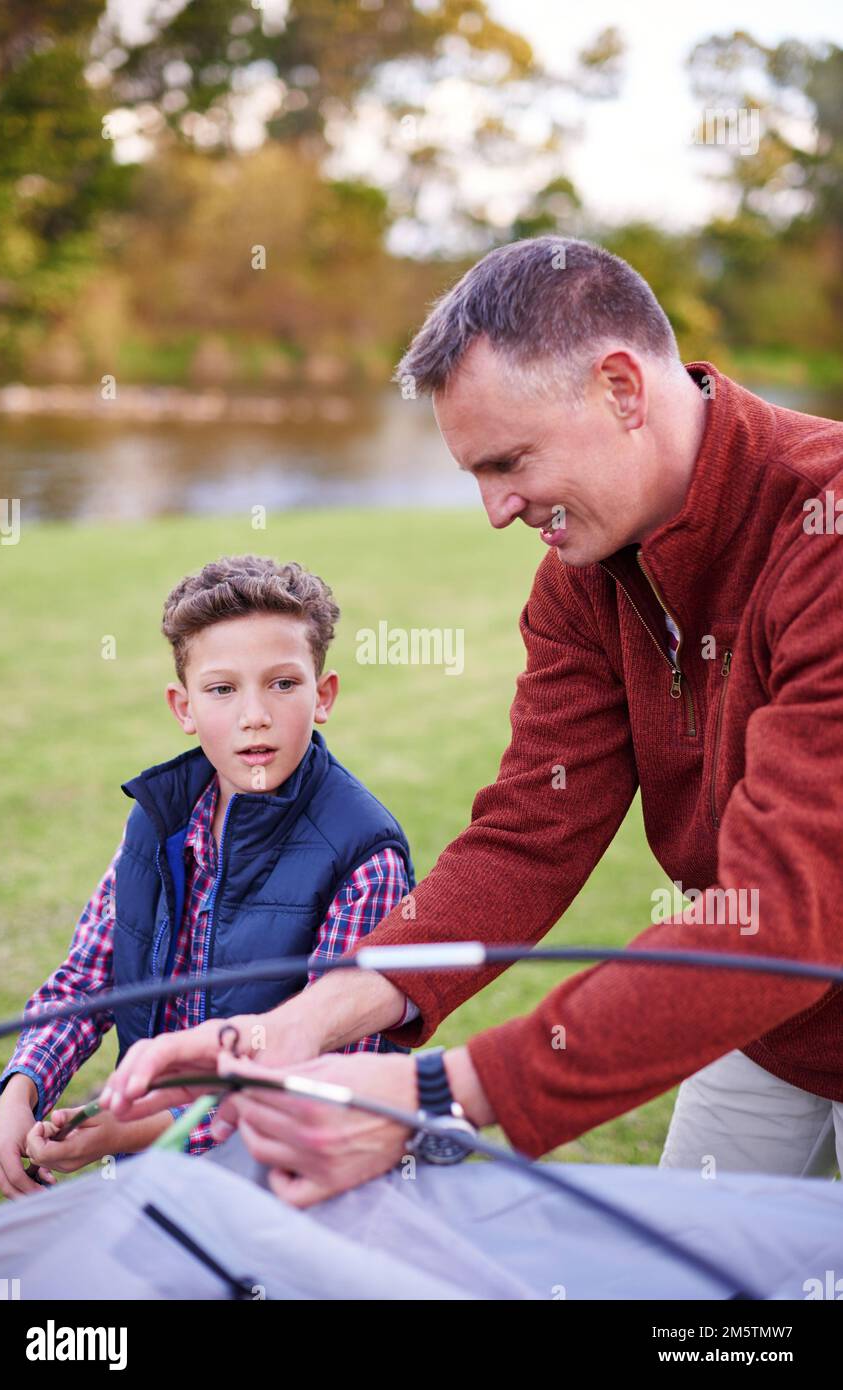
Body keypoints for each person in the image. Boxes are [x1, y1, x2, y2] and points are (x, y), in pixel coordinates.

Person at [104, 235, 843, 1206]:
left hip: (767, 964)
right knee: (701, 1325)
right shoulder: (582, 578)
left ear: (621, 389)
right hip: (755, 1023)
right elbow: (528, 838)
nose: (496, 510)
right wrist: (305, 1018)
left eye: (509, 461)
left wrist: (434, 1092)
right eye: (473, 474)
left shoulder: (824, 526)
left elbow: (789, 919)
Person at [0, 554, 414, 1198]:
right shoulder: (158, 821)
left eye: (282, 684)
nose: (254, 715)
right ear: (183, 707)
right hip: (155, 1181)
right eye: (222, 689)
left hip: (290, 1191)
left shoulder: (363, 855)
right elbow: (88, 976)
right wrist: (24, 1087)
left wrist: (133, 1131)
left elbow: (320, 1084)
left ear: (323, 696)